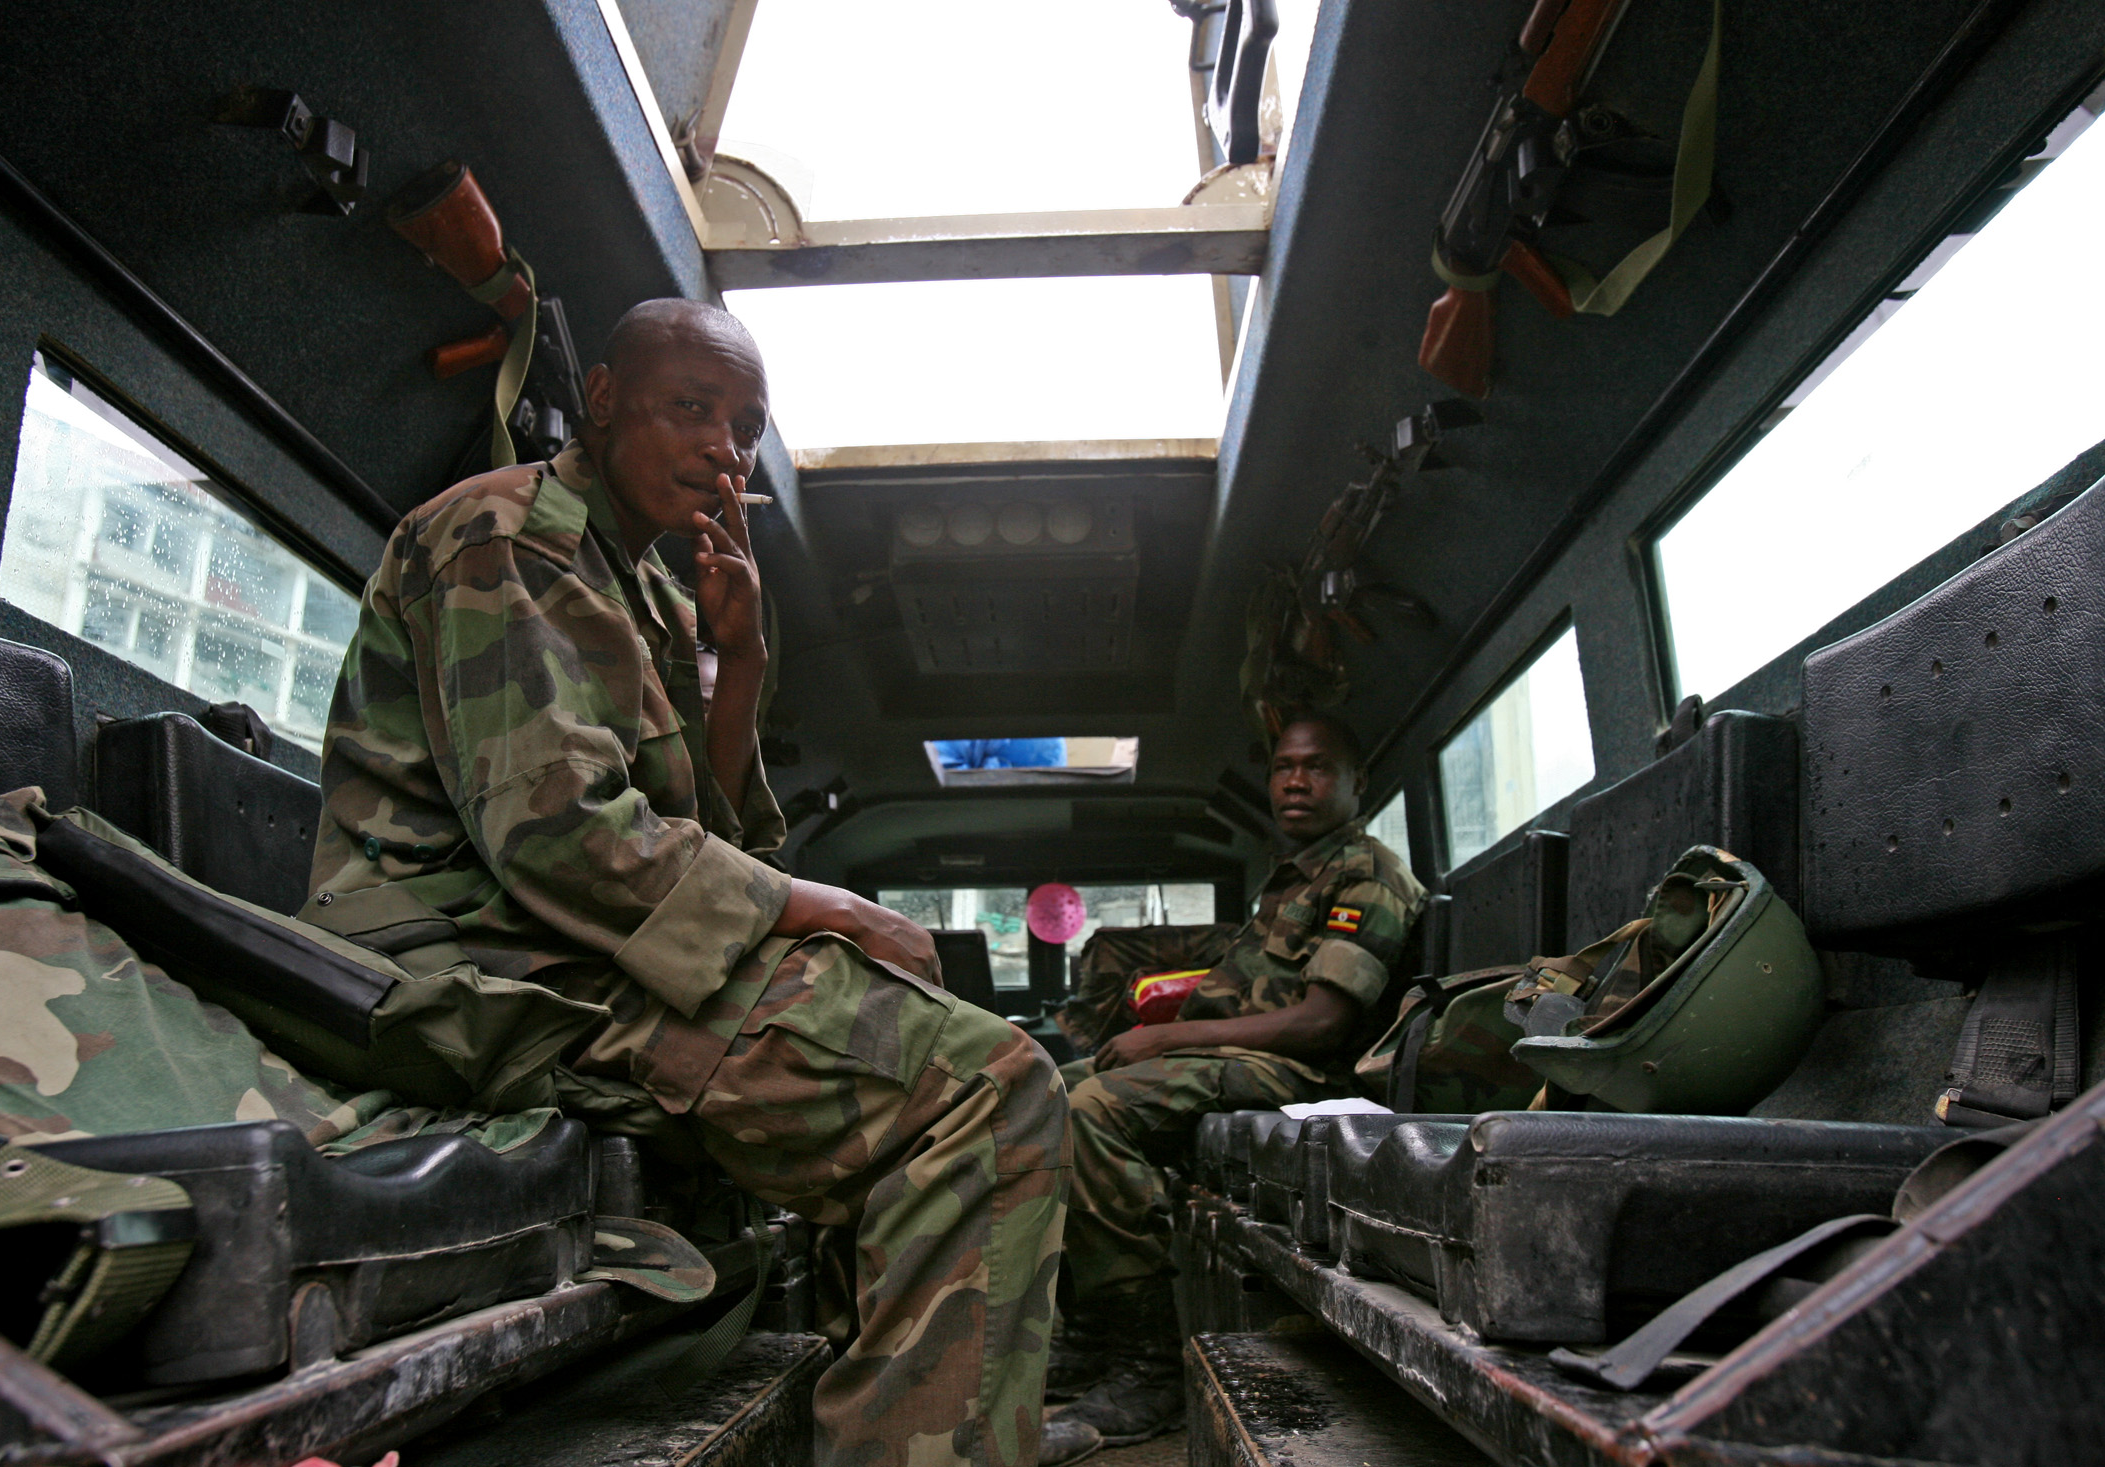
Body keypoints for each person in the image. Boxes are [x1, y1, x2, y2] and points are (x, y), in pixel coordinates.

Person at [309, 299, 1069, 1467]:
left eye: (747, 427)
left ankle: (930, 1412)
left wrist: (744, 661)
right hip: (477, 964)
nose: (724, 447)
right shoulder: (502, 535)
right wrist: (837, 908)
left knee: (946, 1044)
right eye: (691, 409)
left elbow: (711, 845)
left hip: (587, 953)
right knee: (991, 1089)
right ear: (603, 400)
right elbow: (559, 836)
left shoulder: (656, 595)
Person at [1039, 713, 1425, 1457]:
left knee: (1090, 1109)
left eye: (1316, 767)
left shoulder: (1368, 873)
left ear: (1357, 782)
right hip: (1243, 1057)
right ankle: (1091, 1333)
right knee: (1039, 1093)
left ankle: (1149, 1367)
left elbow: (1319, 1023)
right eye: (1283, 766)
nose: (1295, 781)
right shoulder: (1295, 879)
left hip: (1303, 1072)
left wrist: (1167, 1034)